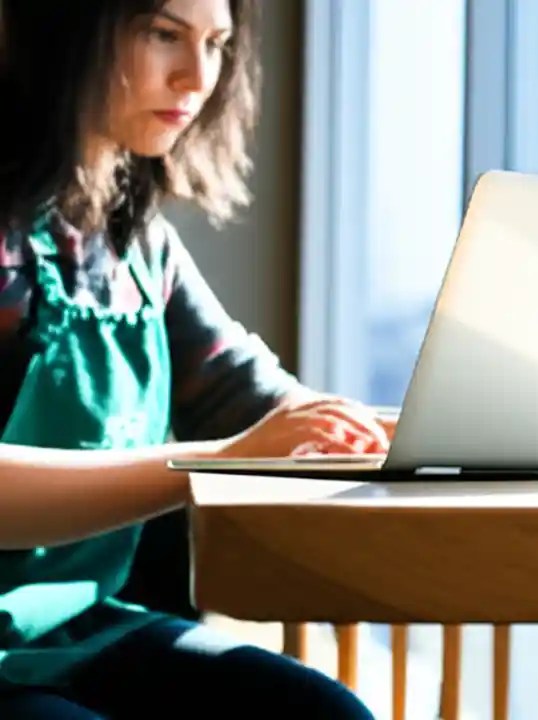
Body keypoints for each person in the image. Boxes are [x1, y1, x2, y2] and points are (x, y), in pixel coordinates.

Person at [0, 0, 387, 717]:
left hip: (80, 632)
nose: (197, 76)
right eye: (163, 35)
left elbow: (258, 401)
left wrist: (394, 431)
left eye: (215, 44)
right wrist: (216, 460)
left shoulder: (135, 240)